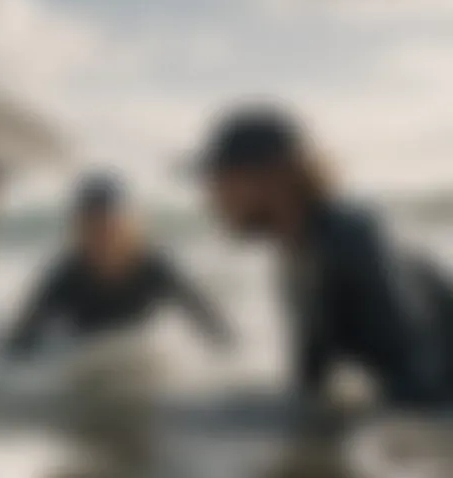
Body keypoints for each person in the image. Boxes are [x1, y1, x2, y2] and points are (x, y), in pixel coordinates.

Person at [189, 99, 453, 414]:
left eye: (221, 181)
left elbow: (419, 379)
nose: (213, 198)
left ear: (271, 178)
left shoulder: (352, 238)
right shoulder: (297, 252)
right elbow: (312, 379)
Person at [4, 172, 233, 359]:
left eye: (111, 228)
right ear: (78, 231)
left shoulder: (153, 267)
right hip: (80, 353)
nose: (103, 238)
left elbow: (210, 323)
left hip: (135, 351)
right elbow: (20, 342)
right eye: (92, 229)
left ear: (129, 227)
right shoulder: (66, 275)